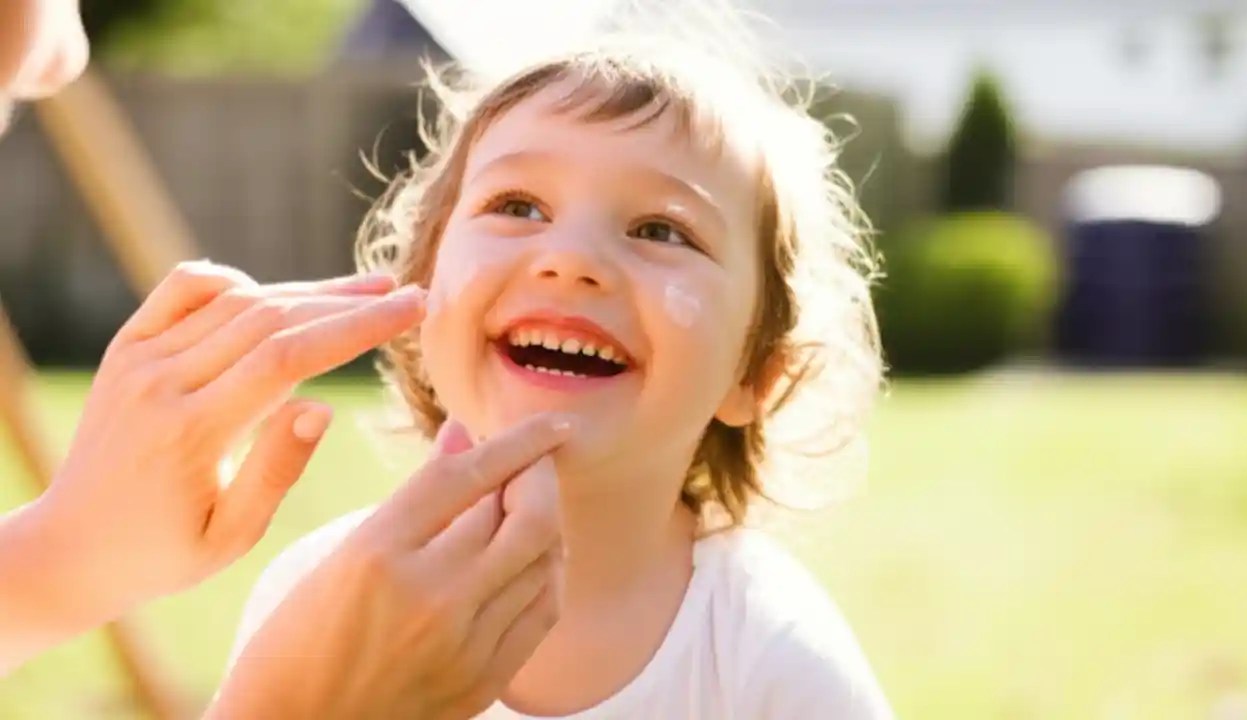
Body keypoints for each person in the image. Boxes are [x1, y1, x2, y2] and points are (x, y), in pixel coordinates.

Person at [228, 4, 897, 717]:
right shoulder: (321, 599)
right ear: (423, 298)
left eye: (660, 229)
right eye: (517, 206)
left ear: (755, 374)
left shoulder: (773, 660)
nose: (571, 260)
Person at [1, 2, 570, 716]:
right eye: (516, 207)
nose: (65, 59)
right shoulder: (306, 589)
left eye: (660, 231)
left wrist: (65, 555)